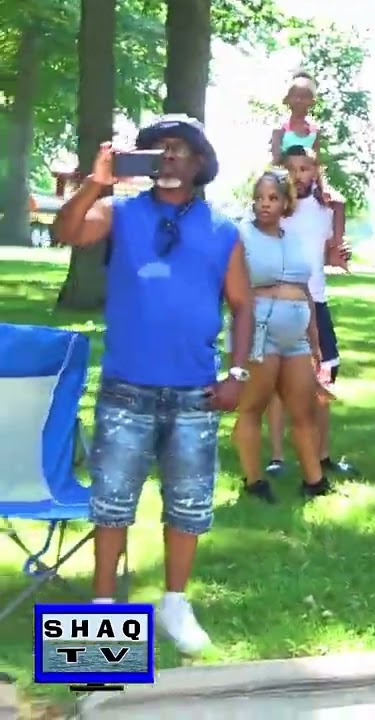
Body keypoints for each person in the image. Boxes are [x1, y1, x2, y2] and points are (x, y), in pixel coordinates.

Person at [50, 115, 252, 653]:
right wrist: (96, 180)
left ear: (201, 164)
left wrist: (237, 373)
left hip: (194, 394)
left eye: (180, 150)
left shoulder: (222, 230)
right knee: (112, 503)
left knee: (188, 505)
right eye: (156, 150)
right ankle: (102, 611)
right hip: (127, 389)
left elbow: (242, 305)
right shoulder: (119, 213)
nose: (167, 159)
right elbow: (65, 232)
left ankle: (174, 604)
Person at [233, 171, 334, 502]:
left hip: (297, 338)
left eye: (273, 198)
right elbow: (229, 284)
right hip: (261, 332)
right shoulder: (241, 235)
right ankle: (254, 482)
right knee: (253, 407)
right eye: (260, 197)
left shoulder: (292, 239)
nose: (265, 203)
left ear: (286, 203)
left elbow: (306, 291)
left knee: (303, 409)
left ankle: (314, 482)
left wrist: (316, 344)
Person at [263, 146, 357, 479]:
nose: (298, 175)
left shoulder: (324, 210)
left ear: (315, 171)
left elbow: (328, 253)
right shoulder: (274, 209)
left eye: (305, 168)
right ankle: (276, 457)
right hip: (282, 302)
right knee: (276, 380)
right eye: (291, 168)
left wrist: (338, 257)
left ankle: (323, 454)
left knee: (323, 378)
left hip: (316, 301)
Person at [268, 71, 347, 267]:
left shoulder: (314, 131)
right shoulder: (281, 129)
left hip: (307, 177)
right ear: (288, 99)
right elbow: (276, 158)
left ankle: (336, 246)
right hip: (284, 177)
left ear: (312, 101)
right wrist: (293, 161)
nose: (300, 100)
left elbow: (317, 162)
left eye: (305, 96)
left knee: (338, 202)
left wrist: (323, 186)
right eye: (296, 95)